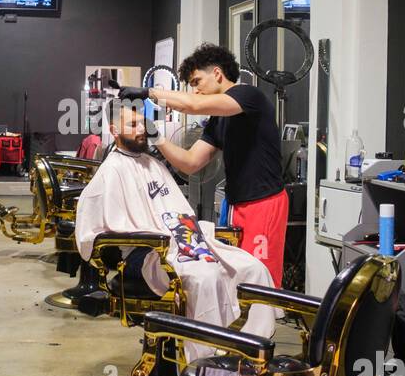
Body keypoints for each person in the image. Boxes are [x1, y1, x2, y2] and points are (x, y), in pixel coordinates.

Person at [75, 99, 277, 363]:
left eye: (143, 123)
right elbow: (90, 234)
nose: (141, 130)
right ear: (114, 130)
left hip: (184, 241)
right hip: (145, 254)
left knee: (254, 269)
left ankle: (250, 356)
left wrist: (190, 239)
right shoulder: (111, 171)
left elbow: (178, 209)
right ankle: (202, 367)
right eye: (133, 124)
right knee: (206, 276)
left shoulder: (152, 163)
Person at [119, 43, 289, 287]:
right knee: (234, 276)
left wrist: (149, 93)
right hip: (234, 205)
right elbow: (190, 163)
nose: (195, 91)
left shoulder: (249, 96)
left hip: (263, 203)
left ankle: (263, 324)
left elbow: (192, 105)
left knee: (260, 280)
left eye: (197, 82)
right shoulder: (218, 119)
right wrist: (154, 134)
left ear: (217, 74)